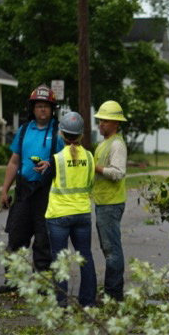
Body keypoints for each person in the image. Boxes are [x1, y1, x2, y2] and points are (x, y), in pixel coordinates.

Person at [0, 85, 64, 293]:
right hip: (24, 190)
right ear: (33, 109)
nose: (42, 110)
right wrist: (4, 190)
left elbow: (66, 162)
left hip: (47, 192)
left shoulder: (59, 133)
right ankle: (13, 280)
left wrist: (51, 166)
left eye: (46, 106)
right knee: (16, 236)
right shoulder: (24, 130)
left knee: (44, 238)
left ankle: (42, 282)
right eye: (39, 106)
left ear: (52, 109)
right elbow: (14, 162)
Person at [44, 111, 97, 307]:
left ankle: (61, 304)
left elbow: (46, 180)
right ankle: (88, 302)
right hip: (82, 213)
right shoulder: (90, 157)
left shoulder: (57, 158)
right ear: (81, 134)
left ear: (62, 134)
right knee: (85, 257)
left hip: (59, 215)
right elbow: (90, 183)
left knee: (60, 259)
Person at [92, 101, 129, 302]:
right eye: (100, 120)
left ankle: (113, 294)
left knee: (112, 250)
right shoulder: (104, 144)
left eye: (105, 121)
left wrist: (94, 167)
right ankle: (111, 292)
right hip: (103, 202)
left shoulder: (116, 145)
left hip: (111, 204)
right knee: (109, 249)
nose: (101, 124)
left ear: (116, 123)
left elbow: (118, 173)